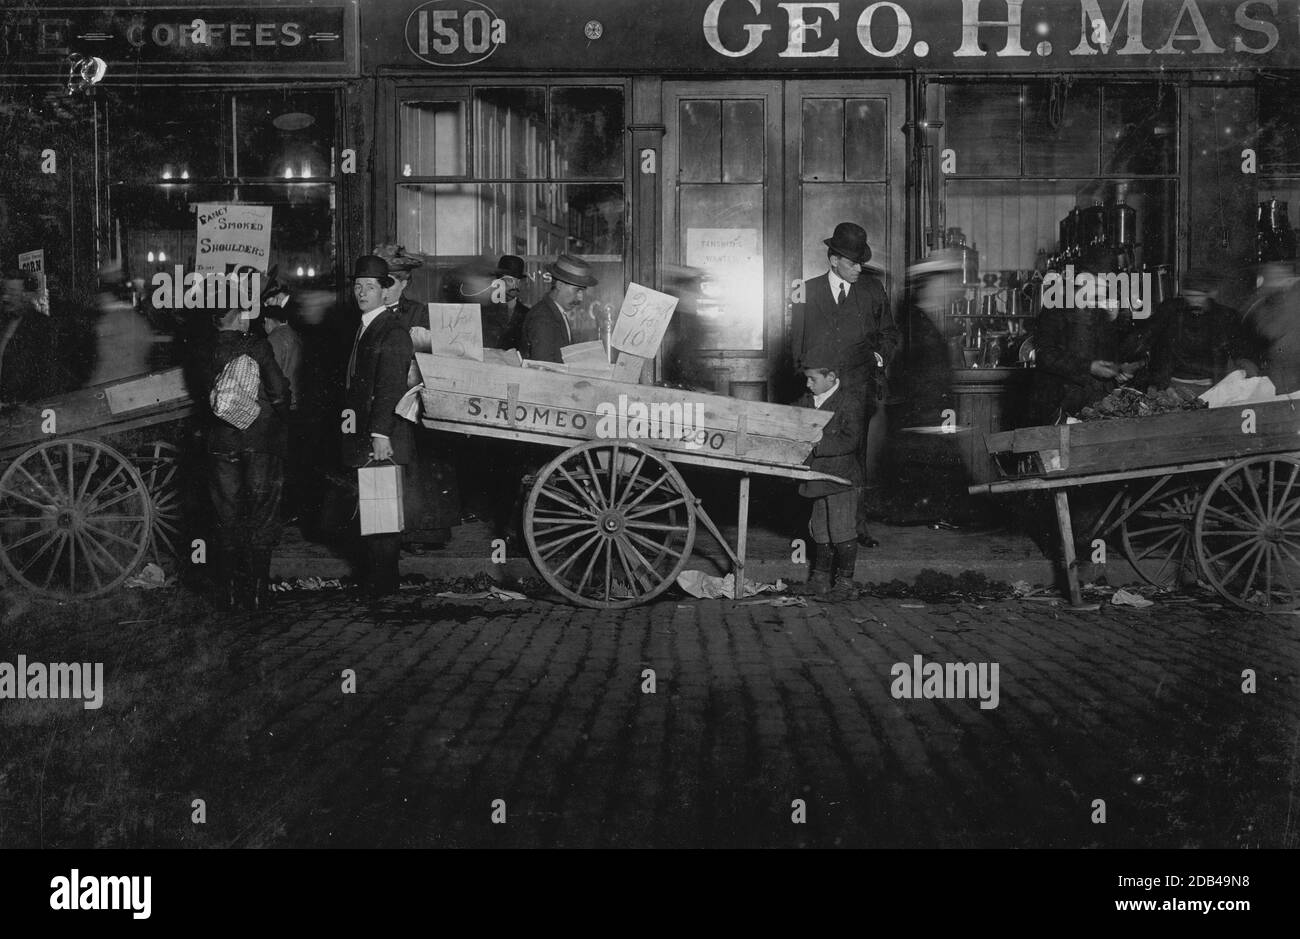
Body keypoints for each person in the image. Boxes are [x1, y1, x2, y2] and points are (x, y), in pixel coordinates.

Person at [789, 221, 898, 549]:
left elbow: (889, 333)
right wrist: (810, 383)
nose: (858, 269)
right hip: (819, 393)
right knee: (816, 455)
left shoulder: (872, 291)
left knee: (855, 457)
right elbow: (797, 345)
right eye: (852, 263)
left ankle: (855, 528)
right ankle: (817, 528)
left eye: (861, 262)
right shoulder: (807, 291)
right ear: (834, 259)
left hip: (857, 389)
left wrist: (878, 358)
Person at [373, 242, 460, 549]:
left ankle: (423, 532)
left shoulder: (419, 312)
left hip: (414, 403)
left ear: (405, 283)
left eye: (390, 284)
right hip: (384, 405)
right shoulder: (370, 313)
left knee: (419, 471)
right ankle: (388, 537)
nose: (383, 291)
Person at [205, 305, 290, 612]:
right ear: (241, 315)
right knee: (262, 512)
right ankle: (257, 592)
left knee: (225, 513)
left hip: (220, 442)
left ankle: (227, 593)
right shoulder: (255, 344)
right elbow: (278, 391)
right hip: (260, 441)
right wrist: (282, 418)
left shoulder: (203, 348)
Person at [342, 255, 417, 598]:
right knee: (374, 510)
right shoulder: (366, 325)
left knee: (383, 514)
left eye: (369, 287)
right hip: (371, 432)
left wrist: (380, 434)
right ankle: (378, 582)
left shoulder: (392, 329)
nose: (361, 292)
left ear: (385, 291)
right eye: (358, 286)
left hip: (383, 435)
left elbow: (390, 386)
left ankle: (383, 587)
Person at [790, 346, 865, 600]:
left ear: (831, 378)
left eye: (813, 379)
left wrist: (818, 443)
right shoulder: (807, 400)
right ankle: (820, 580)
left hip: (840, 478)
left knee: (841, 529)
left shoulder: (849, 402)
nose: (808, 384)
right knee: (820, 529)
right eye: (807, 379)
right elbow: (791, 416)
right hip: (817, 477)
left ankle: (845, 584)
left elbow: (851, 440)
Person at [1146, 267, 1246, 395]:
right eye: (1189, 296)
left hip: (1211, 388)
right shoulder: (1170, 311)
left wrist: (1245, 367)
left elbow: (1239, 351)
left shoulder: (1225, 316)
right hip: (1173, 386)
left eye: (1199, 296)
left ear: (1211, 294)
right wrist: (1160, 385)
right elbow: (1149, 340)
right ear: (1183, 293)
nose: (1194, 301)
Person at [262, 284, 305, 520]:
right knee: (293, 461)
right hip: (297, 405)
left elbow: (272, 375)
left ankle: (282, 510)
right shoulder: (295, 335)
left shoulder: (275, 339)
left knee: (278, 463)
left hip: (282, 408)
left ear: (269, 321)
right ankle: (293, 510)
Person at [520, 254, 597, 363]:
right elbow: (544, 367)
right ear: (560, 285)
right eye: (577, 290)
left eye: (582, 291)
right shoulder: (543, 318)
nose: (580, 297)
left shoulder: (556, 312)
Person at [483, 254, 531, 350]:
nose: (515, 286)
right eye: (510, 280)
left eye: (518, 281)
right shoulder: (484, 311)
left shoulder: (527, 314)